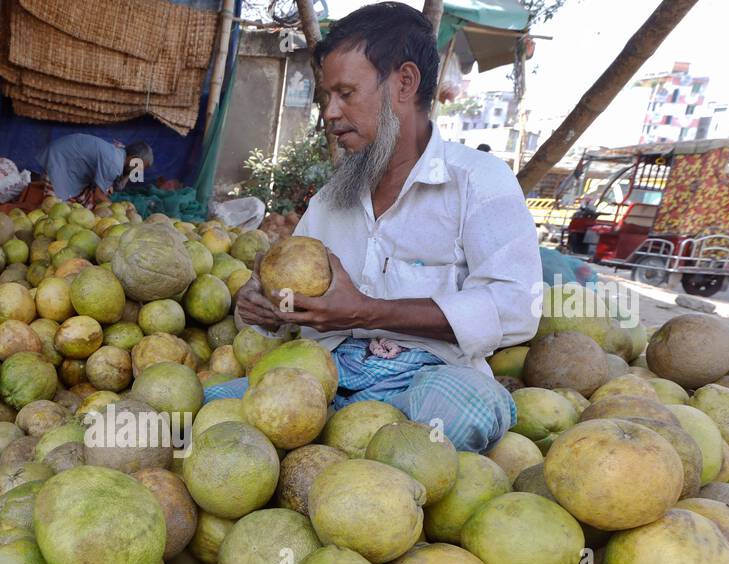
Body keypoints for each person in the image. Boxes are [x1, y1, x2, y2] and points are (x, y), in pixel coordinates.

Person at [206, 2, 541, 454]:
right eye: (327, 96)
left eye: (346, 93)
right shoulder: (331, 198)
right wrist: (263, 305)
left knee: (465, 412)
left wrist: (366, 311)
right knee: (204, 411)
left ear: (404, 82)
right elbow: (285, 293)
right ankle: (332, 448)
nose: (330, 111)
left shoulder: (478, 181)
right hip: (328, 374)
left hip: (427, 381)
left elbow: (516, 307)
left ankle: (370, 460)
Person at [36, 134, 154, 206]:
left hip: (74, 164)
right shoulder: (114, 163)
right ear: (133, 158)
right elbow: (98, 196)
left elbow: (118, 186)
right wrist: (118, 209)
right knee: (55, 208)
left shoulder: (121, 151)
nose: (138, 171)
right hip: (61, 160)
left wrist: (129, 172)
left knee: (87, 205)